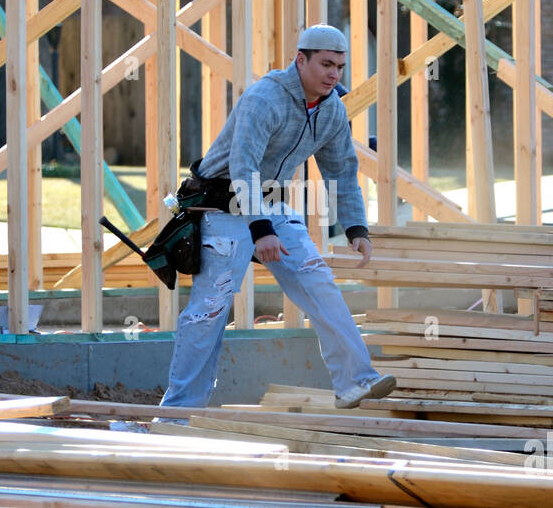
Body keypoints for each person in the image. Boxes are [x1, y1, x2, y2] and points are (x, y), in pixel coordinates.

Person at [158, 24, 396, 413]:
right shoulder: (264, 98)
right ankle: (180, 413)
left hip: (268, 205)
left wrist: (356, 228)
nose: (334, 74)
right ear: (300, 60)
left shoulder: (332, 109)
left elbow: (341, 171)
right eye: (325, 64)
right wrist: (261, 230)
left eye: (339, 66)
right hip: (221, 204)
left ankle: (355, 382)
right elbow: (243, 167)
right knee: (210, 311)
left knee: (319, 281)